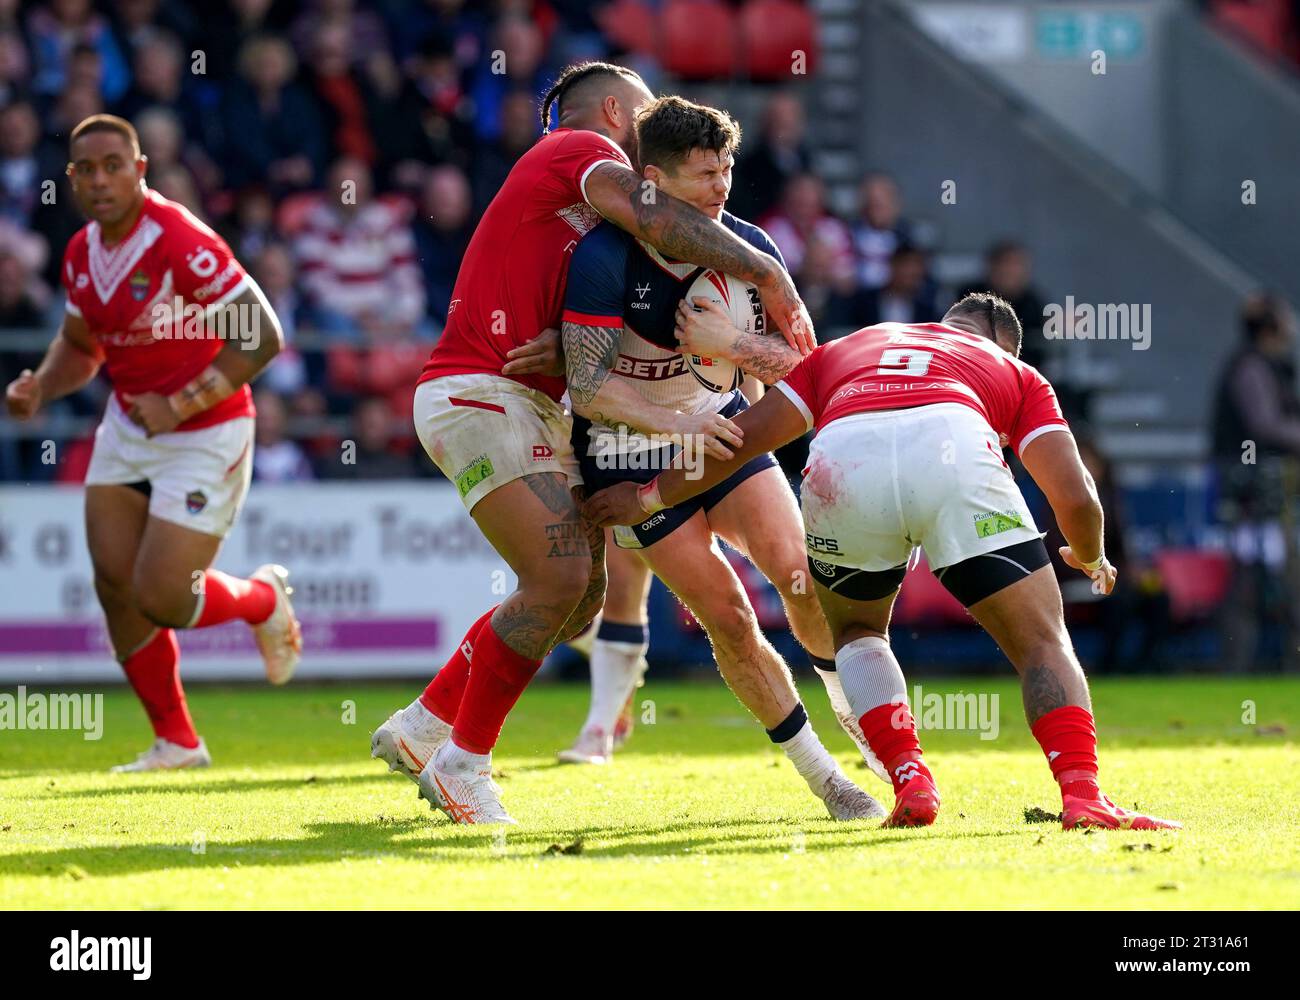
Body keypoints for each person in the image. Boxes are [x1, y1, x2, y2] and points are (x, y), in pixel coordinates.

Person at [369, 60, 814, 826]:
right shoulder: (580, 152)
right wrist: (767, 271)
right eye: (642, 118)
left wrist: (566, 345)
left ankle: (423, 726)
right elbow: (657, 216)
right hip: (481, 390)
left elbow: (597, 302)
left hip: (530, 401)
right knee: (560, 575)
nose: (649, 139)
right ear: (613, 111)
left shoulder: (580, 208)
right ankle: (462, 767)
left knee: (578, 600)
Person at [586, 293, 1182, 832]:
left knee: (857, 633)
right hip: (955, 455)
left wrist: (647, 496)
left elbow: (739, 439)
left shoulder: (853, 345)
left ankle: (910, 782)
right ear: (999, 343)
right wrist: (1093, 553)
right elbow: (1075, 493)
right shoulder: (1012, 370)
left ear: (944, 323)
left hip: (847, 461)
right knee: (1043, 643)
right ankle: (1082, 795)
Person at [553, 95, 883, 819]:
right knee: (729, 619)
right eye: (703, 174)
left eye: (727, 168)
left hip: (727, 434)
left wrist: (732, 348)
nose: (721, 187)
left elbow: (808, 366)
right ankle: (826, 778)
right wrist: (676, 427)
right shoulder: (604, 257)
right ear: (653, 180)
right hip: (628, 458)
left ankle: (856, 717)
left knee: (800, 574)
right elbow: (589, 385)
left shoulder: (745, 248)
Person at [3, 114, 302, 770]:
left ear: (140, 169)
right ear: (73, 180)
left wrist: (184, 401)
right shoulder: (82, 251)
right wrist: (40, 387)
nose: (102, 179)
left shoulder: (178, 240)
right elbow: (82, 348)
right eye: (88, 169)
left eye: (116, 165)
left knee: (163, 594)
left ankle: (262, 599)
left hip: (206, 428)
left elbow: (261, 337)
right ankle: (177, 742)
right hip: (131, 428)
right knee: (114, 582)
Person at [1211, 293, 1300, 672]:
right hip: (1253, 488)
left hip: (1264, 486)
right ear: (1271, 327)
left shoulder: (1270, 365)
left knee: (1272, 571)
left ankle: (1259, 661)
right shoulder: (1251, 366)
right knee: (1254, 572)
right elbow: (1263, 425)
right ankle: (1240, 662)